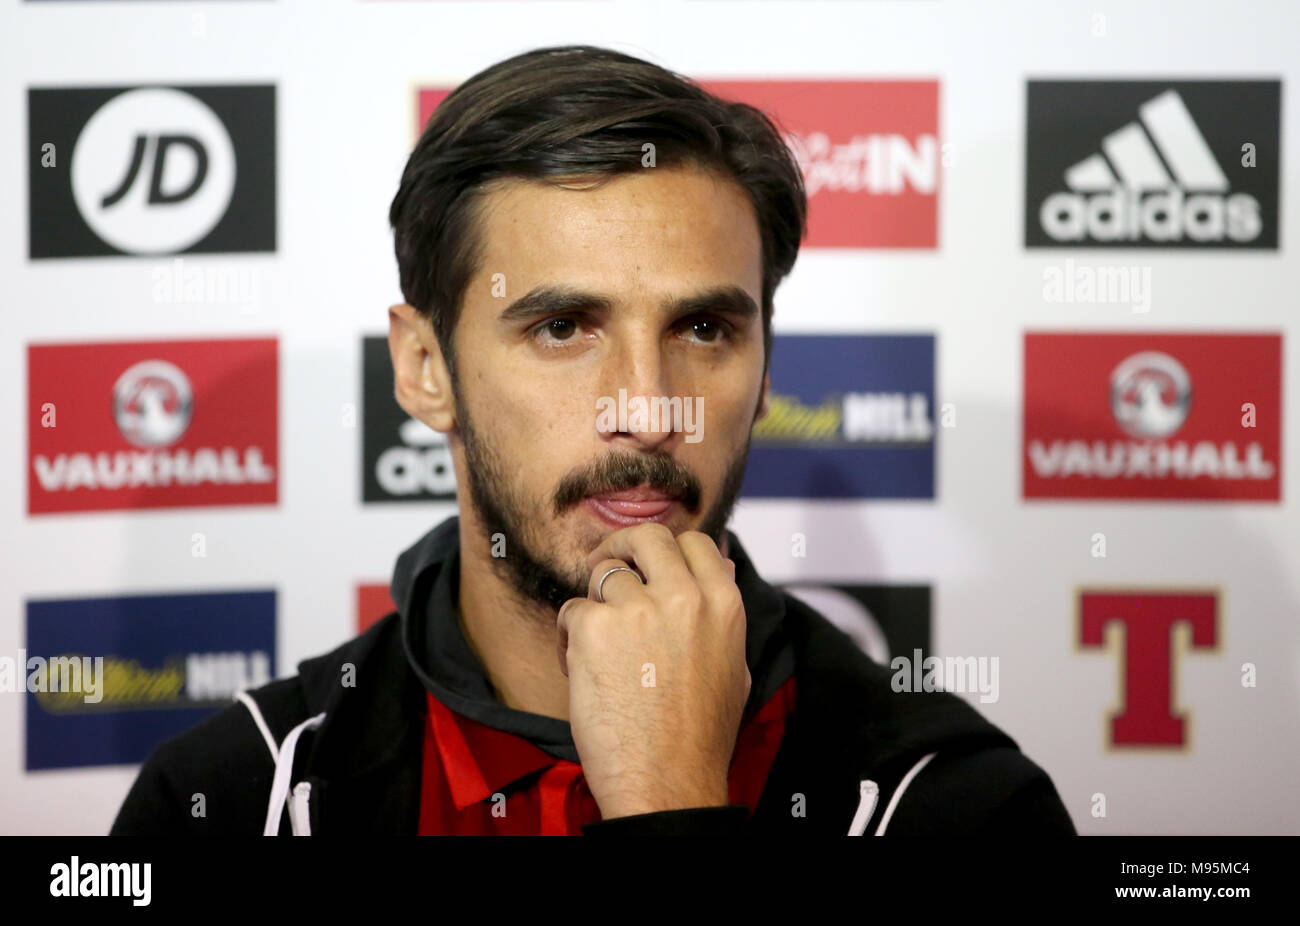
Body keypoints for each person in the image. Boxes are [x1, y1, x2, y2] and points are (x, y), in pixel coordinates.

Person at [112, 44, 1075, 836]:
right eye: (564, 328)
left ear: (768, 366)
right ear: (425, 369)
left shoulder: (953, 806)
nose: (650, 411)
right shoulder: (231, 801)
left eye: (704, 331)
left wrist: (671, 803)